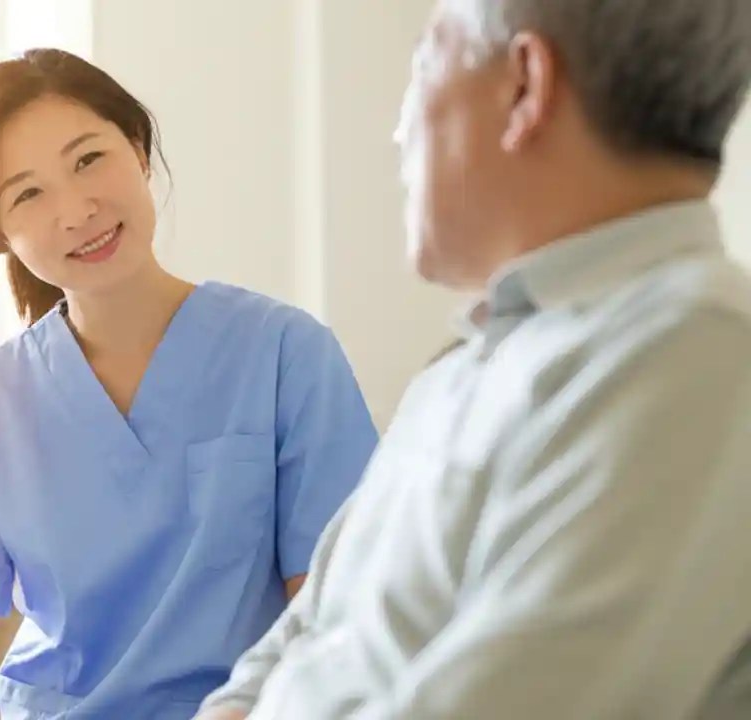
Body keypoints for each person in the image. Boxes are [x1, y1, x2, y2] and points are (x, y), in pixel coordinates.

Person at [197, 0, 751, 717]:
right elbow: (295, 641)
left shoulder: (694, 359)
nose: (397, 129)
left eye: (425, 62)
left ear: (525, 85)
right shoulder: (467, 365)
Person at [0, 48, 378, 720]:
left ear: (138, 149)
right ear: (0, 233)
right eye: (28, 193)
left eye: (89, 160)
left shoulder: (286, 354)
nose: (76, 210)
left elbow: (328, 606)